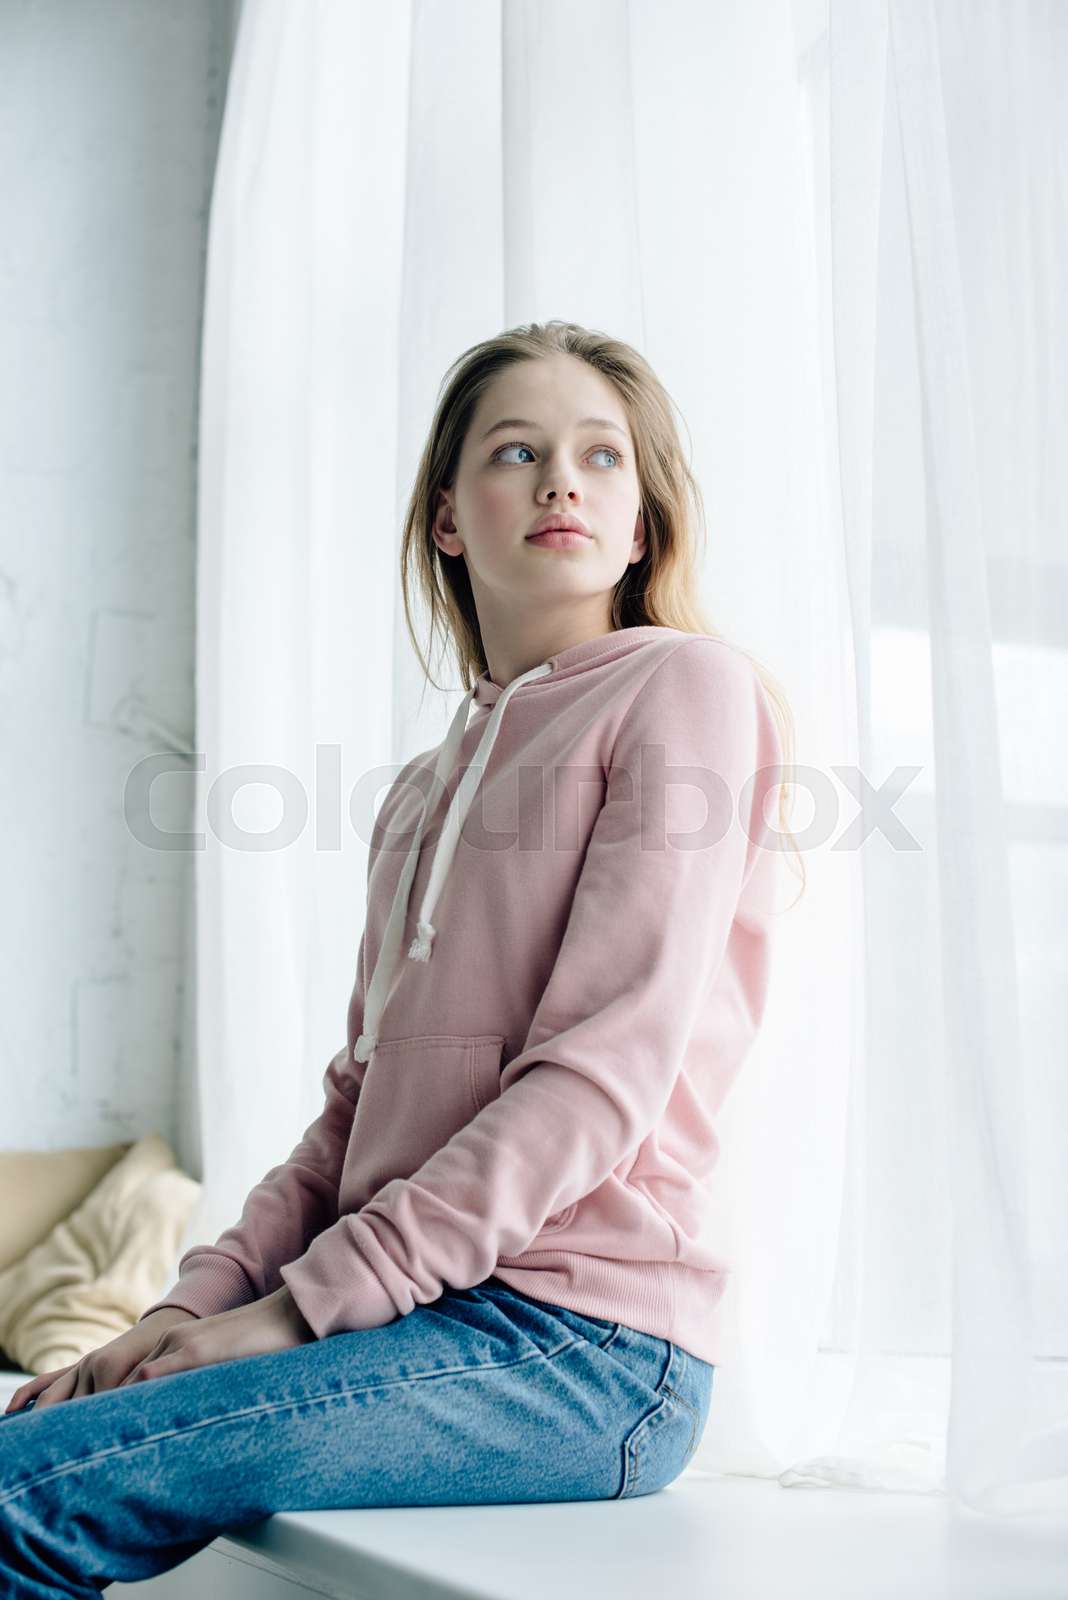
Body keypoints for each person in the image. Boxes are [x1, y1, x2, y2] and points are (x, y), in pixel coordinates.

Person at [0, 319, 802, 1594]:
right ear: (445, 518)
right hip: (418, 1315)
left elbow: (599, 1080)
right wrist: (183, 1308)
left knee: (19, 1500)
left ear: (641, 527)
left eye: (603, 459)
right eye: (519, 450)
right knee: (22, 1442)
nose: (562, 481)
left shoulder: (685, 687)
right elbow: (349, 1120)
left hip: (583, 1349)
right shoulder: (419, 797)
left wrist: (291, 1314)